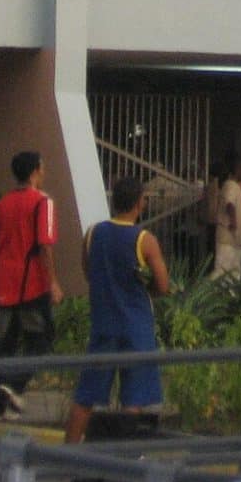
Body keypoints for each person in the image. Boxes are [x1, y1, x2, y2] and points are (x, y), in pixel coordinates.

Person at [65, 176, 171, 444]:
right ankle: (124, 457)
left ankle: (67, 453)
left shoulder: (92, 234)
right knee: (133, 398)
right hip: (136, 326)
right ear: (140, 203)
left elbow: (89, 272)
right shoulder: (145, 240)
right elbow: (163, 284)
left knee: (86, 395)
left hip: (104, 323)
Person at [0, 150, 60, 422]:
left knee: (5, 343)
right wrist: (52, 281)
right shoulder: (43, 202)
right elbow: (44, 244)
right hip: (31, 283)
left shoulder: (2, 204)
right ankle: (14, 385)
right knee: (41, 339)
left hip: (4, 283)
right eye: (43, 167)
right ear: (35, 171)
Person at [212, 160, 241, 281]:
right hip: (228, 235)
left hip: (235, 237)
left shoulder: (234, 187)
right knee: (223, 269)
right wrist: (233, 221)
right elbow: (230, 204)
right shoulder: (230, 185)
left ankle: (230, 295)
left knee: (233, 269)